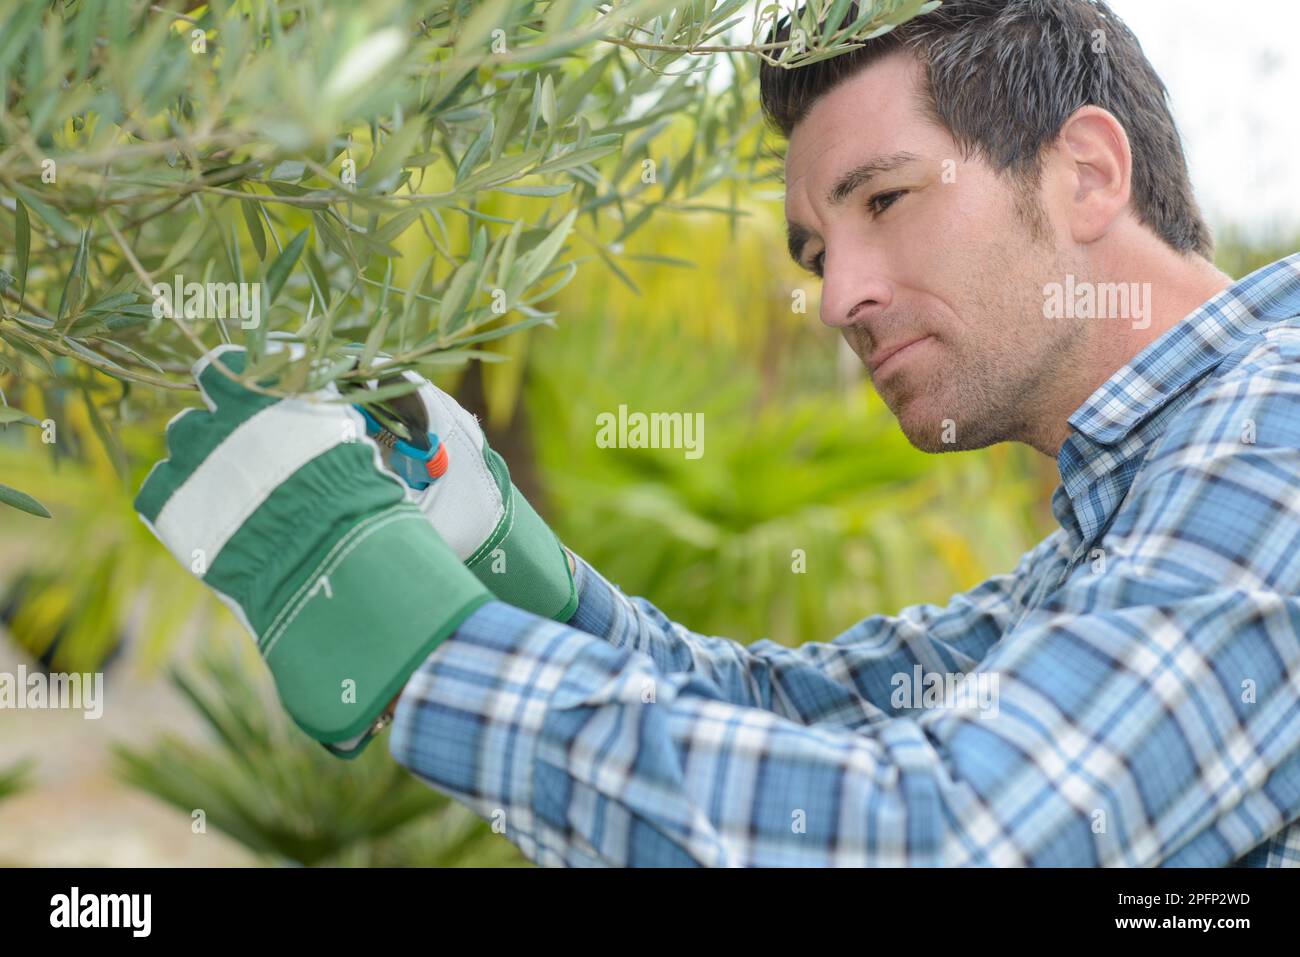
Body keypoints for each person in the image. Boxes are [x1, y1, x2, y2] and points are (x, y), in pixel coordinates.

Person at [136, 0, 1300, 866]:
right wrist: (488, 556)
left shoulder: (1272, 441)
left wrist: (400, 634)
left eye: (885, 200)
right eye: (814, 253)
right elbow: (802, 716)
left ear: (1085, 173)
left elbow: (940, 838)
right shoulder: (1125, 517)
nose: (838, 296)